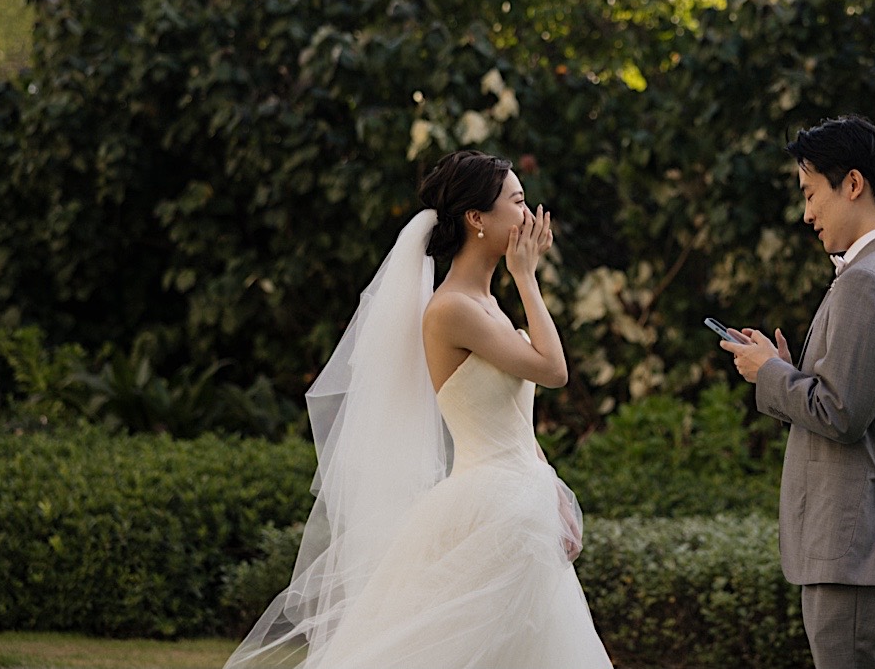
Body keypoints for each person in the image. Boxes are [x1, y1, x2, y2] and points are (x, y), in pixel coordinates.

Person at [226, 149, 610, 669]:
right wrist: (527, 276)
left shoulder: (488, 306)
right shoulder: (452, 309)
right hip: (491, 507)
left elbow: (510, 419)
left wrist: (552, 487)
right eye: (517, 202)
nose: (529, 216)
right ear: (477, 218)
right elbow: (554, 370)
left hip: (522, 499)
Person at [721, 114, 875, 669]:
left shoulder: (868, 280)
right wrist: (785, 368)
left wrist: (767, 374)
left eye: (811, 193)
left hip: (856, 550)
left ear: (854, 184)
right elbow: (853, 398)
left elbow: (841, 414)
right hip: (868, 549)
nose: (807, 213)